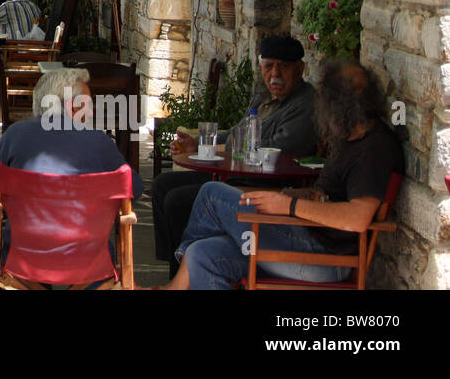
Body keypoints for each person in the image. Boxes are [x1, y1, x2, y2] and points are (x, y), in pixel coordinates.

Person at [162, 62, 403, 290]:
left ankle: (177, 286)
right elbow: (329, 196)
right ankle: (183, 276)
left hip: (324, 259)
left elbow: (358, 217)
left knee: (212, 194)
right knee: (203, 254)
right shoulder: (349, 138)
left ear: (337, 105)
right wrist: (292, 195)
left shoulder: (374, 149)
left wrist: (290, 205)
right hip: (303, 239)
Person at [152, 34, 319, 276]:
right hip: (236, 175)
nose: (275, 74)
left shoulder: (305, 104)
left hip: (263, 185)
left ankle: (183, 276)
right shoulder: (263, 98)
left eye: (283, 67)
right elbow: (236, 133)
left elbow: (279, 150)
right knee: (162, 184)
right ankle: (174, 265)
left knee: (178, 200)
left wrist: (233, 146)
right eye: (268, 66)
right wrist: (198, 144)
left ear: (300, 69)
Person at [0, 68, 142, 275]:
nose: (91, 113)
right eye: (87, 105)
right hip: (88, 260)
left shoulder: (15, 134)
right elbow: (134, 188)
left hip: (23, 258)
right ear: (72, 107)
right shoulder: (98, 141)